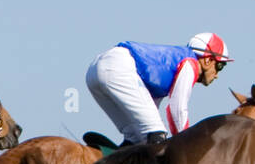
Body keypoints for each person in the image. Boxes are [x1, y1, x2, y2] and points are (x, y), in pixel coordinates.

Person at [86, 33, 232, 145]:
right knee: (156, 132)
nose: (217, 75)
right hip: (117, 67)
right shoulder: (191, 63)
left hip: (94, 72)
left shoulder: (167, 70)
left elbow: (151, 110)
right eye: (220, 66)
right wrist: (187, 145)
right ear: (207, 60)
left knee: (136, 137)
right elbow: (178, 109)